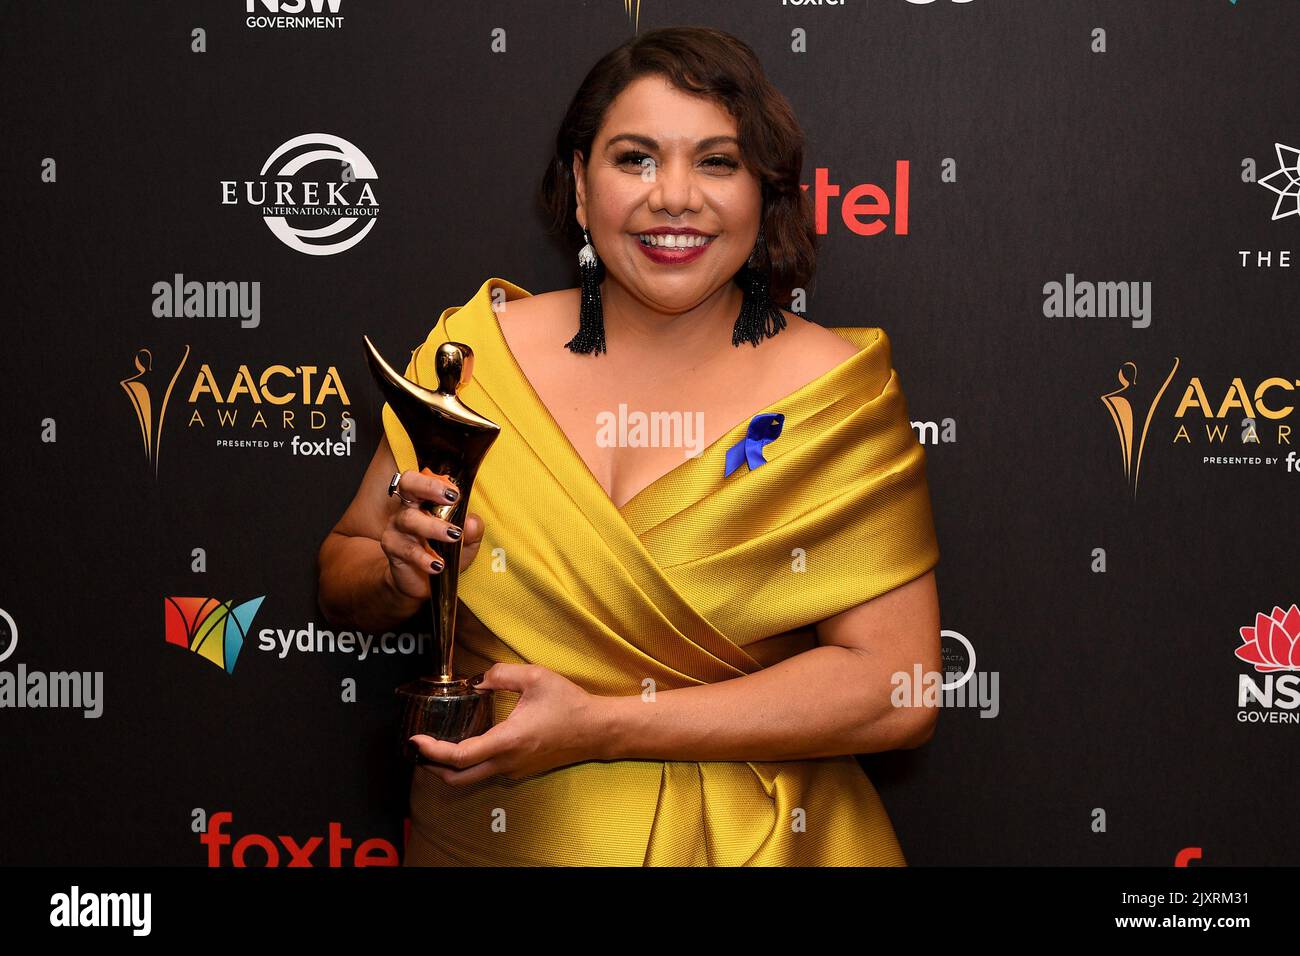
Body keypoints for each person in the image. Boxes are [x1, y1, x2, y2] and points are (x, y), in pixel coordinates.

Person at [317, 25, 941, 866]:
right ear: (580, 186)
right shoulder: (474, 358)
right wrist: (394, 574)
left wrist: (607, 726)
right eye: (635, 159)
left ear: (765, 193)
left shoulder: (836, 395)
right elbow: (344, 567)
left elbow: (898, 693)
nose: (674, 196)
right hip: (493, 841)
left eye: (717, 162)